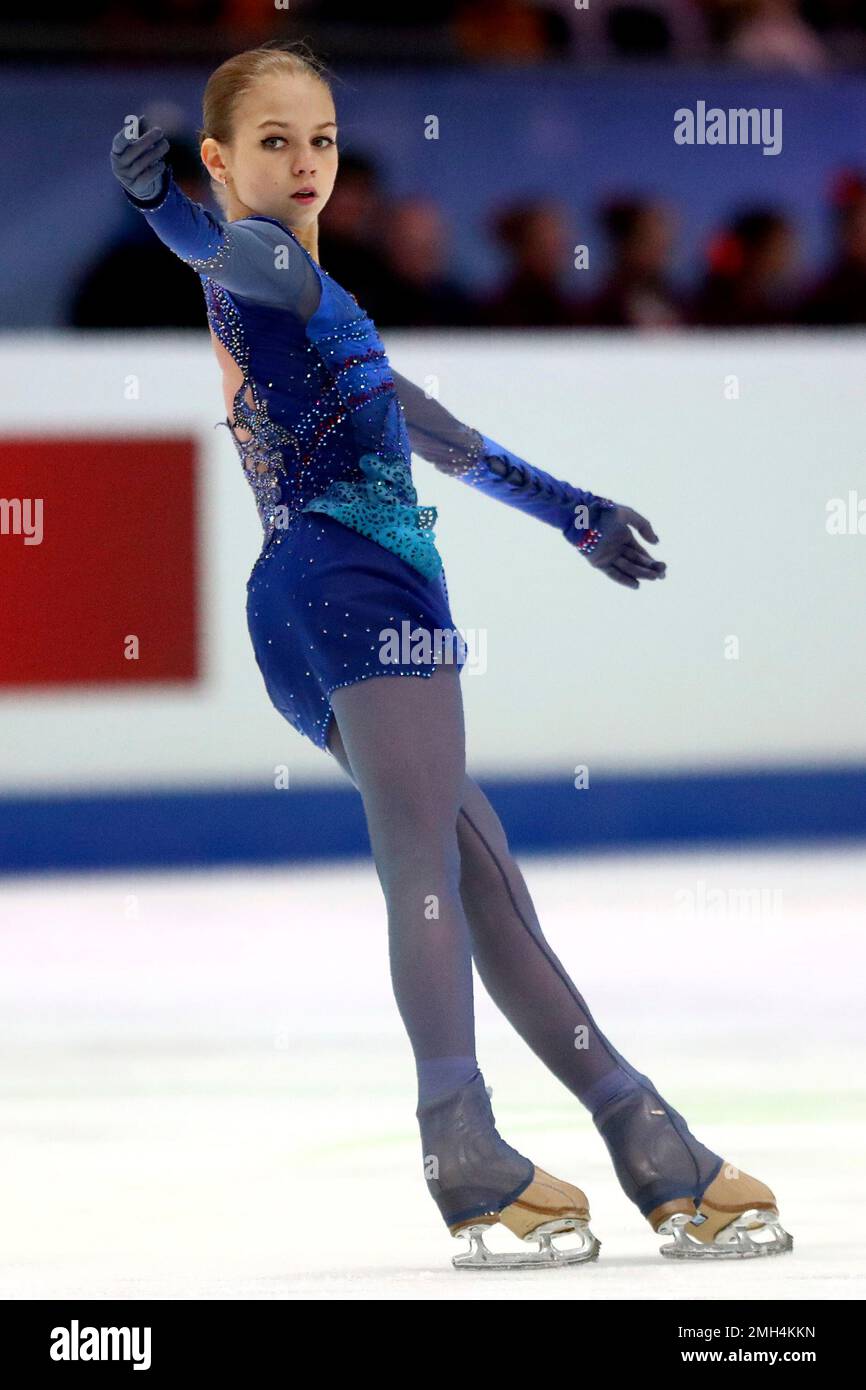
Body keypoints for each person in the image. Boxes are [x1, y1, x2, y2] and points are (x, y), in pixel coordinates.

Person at [109, 39, 792, 1269]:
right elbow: (215, 244)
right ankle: (462, 1143)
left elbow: (433, 430)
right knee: (431, 863)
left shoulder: (316, 301)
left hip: (301, 605)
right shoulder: (252, 257)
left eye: (319, 139)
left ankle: (646, 1137)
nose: (306, 163)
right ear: (221, 160)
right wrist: (165, 204)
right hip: (362, 587)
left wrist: (568, 507)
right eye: (273, 143)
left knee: (473, 873)